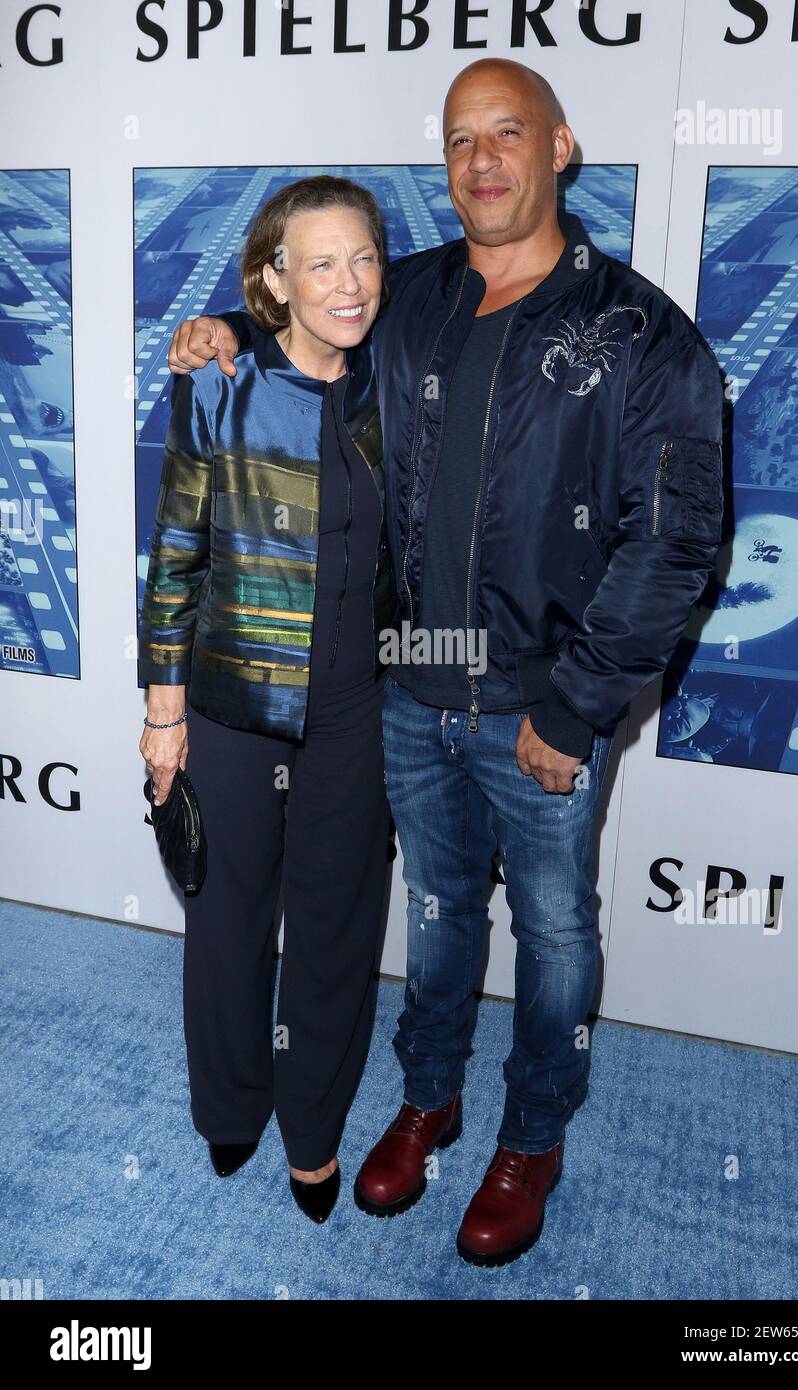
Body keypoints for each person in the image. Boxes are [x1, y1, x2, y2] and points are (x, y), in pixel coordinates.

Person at [168, 58, 725, 1265]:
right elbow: (311, 303)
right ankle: (430, 1099)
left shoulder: (641, 334)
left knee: (556, 935)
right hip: (409, 699)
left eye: (506, 131)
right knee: (431, 925)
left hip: (541, 710)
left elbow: (674, 543)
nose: (481, 157)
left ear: (559, 148)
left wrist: (575, 712)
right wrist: (220, 324)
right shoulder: (408, 294)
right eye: (460, 136)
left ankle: (531, 1135)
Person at [139, 175, 396, 1224]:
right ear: (273, 280)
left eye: (365, 258)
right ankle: (231, 1105)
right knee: (228, 918)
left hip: (358, 707)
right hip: (232, 699)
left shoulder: (394, 380)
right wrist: (163, 713)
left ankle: (315, 1131)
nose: (349, 283)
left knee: (338, 923)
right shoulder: (222, 385)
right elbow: (176, 556)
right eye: (319, 263)